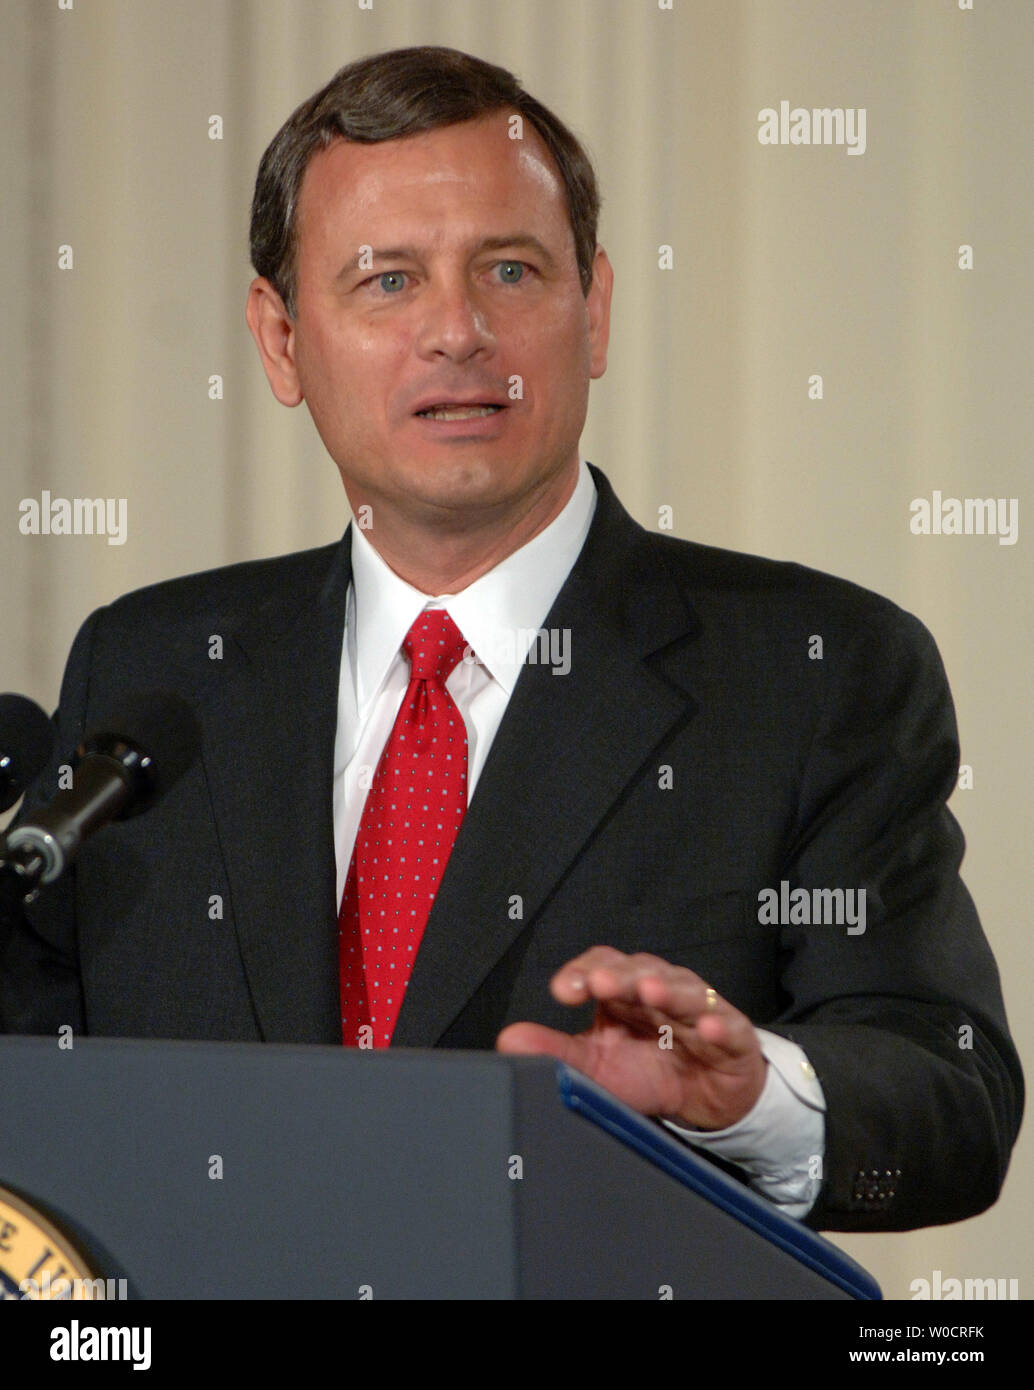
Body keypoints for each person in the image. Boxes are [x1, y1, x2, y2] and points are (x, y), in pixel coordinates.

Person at [0, 46, 1021, 1233]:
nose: (457, 332)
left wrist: (751, 1100)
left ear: (591, 309)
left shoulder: (812, 672)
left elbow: (950, 1098)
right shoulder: (151, 672)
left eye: (509, 268)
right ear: (280, 341)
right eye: (386, 281)